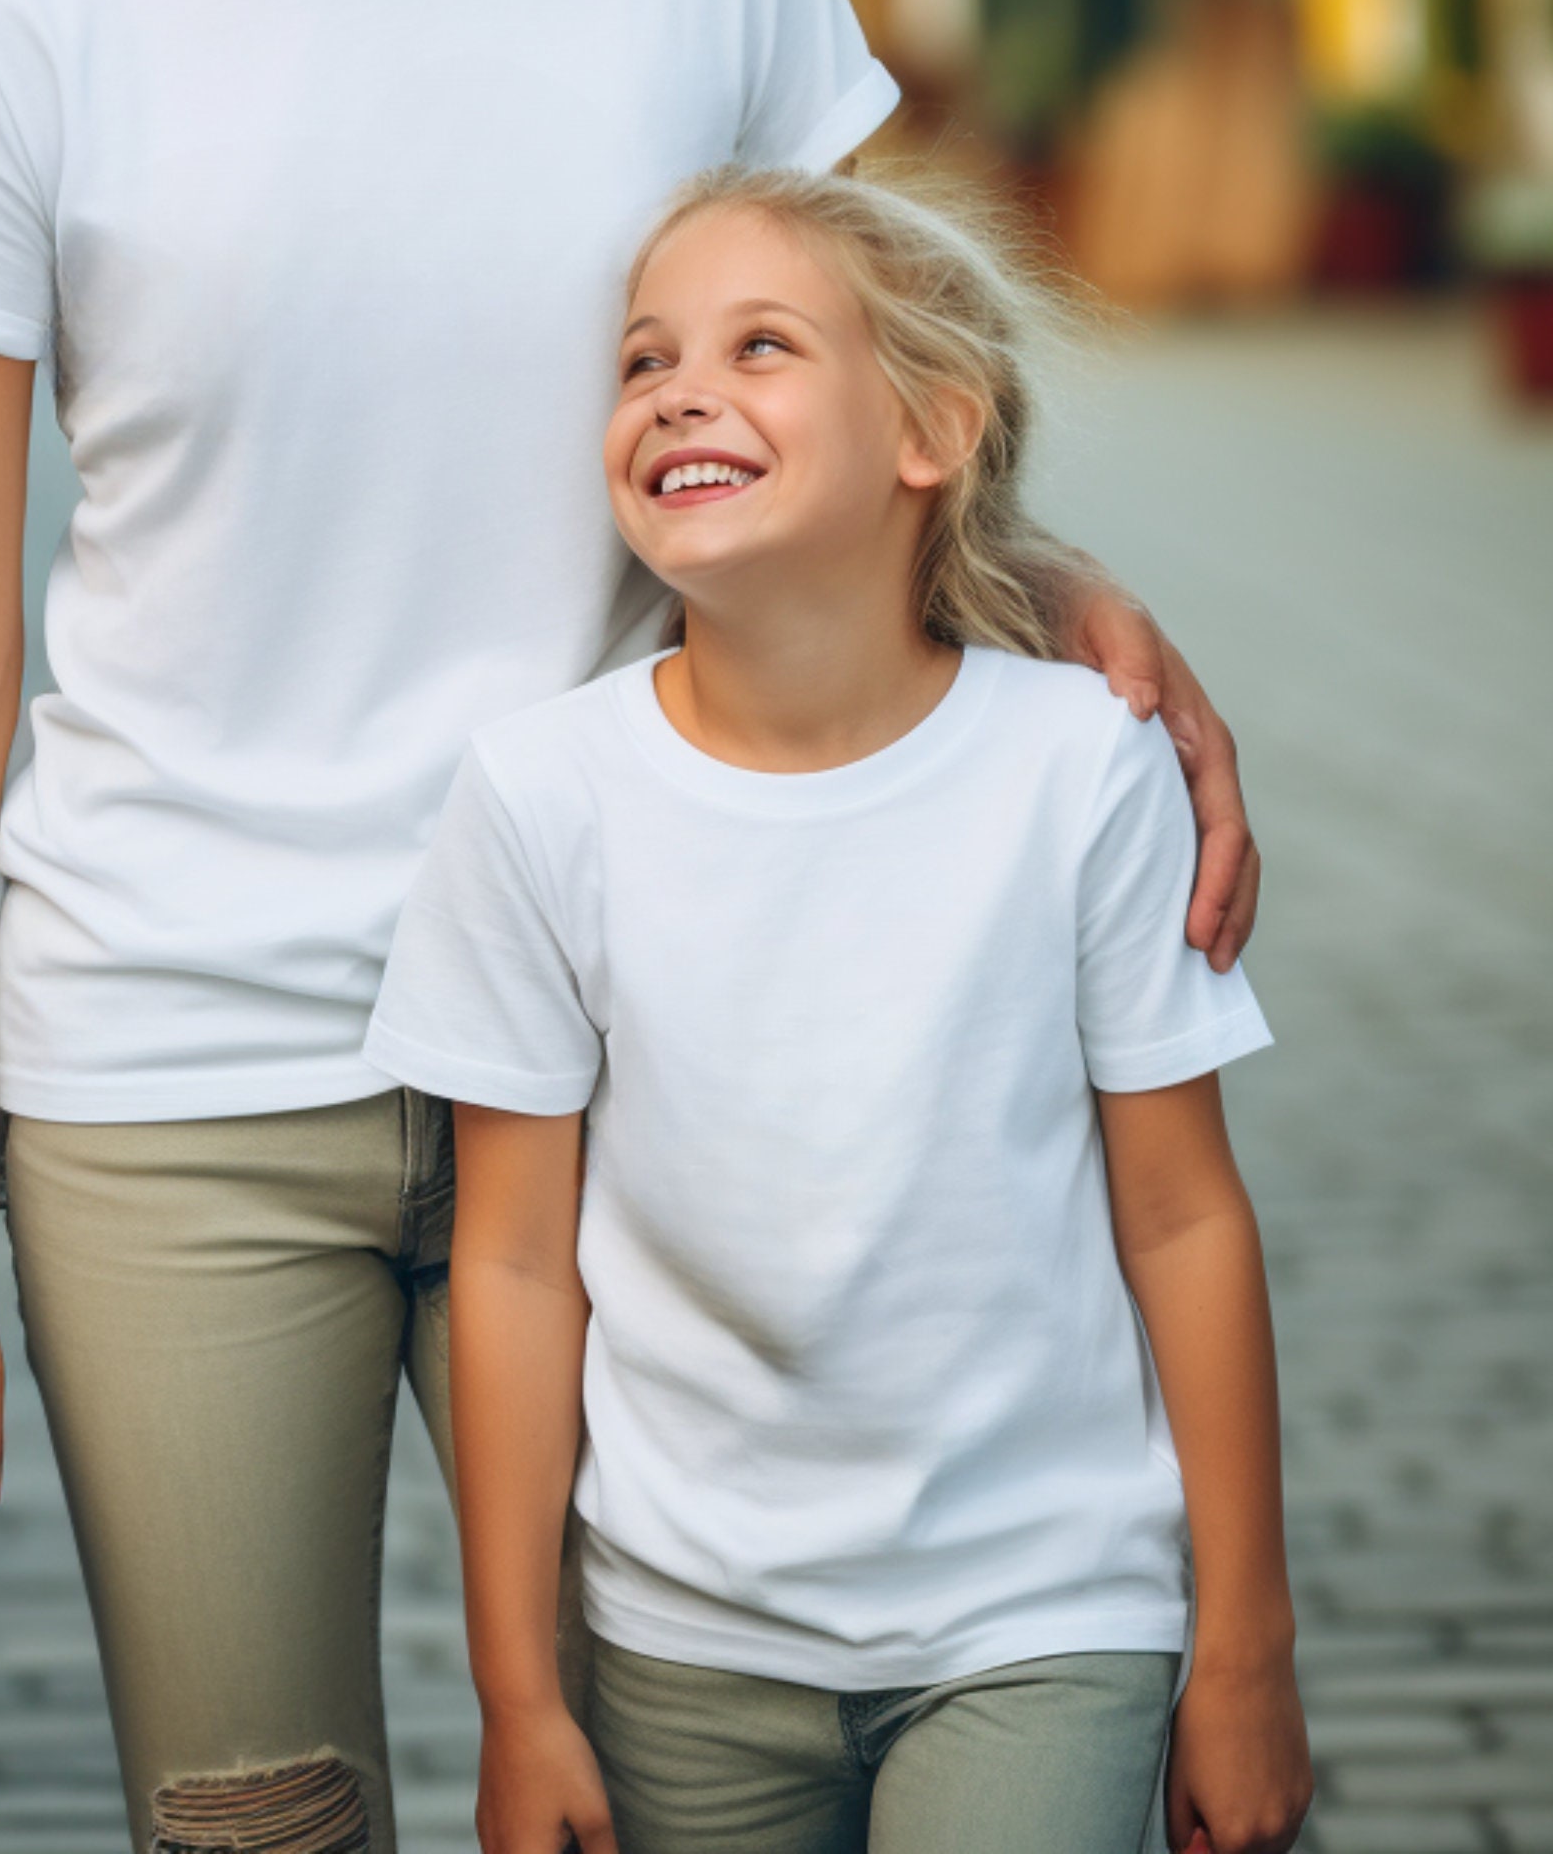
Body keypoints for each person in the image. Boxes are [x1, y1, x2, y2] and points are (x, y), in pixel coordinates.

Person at [0, 0, 1264, 1854]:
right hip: (179, 1055)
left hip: (651, 1030)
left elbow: (863, 400)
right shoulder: (8, 8)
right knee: (255, 1821)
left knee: (637, 1787)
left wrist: (1077, 613)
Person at [369, 165, 1312, 1854]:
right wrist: (522, 1701)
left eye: (761, 346)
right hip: (683, 1647)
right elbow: (510, 1264)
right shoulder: (538, 798)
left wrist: (1245, 1654)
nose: (678, 392)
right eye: (645, 361)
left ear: (929, 432)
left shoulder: (1080, 771)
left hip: (1041, 1615)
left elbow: (1183, 1218)